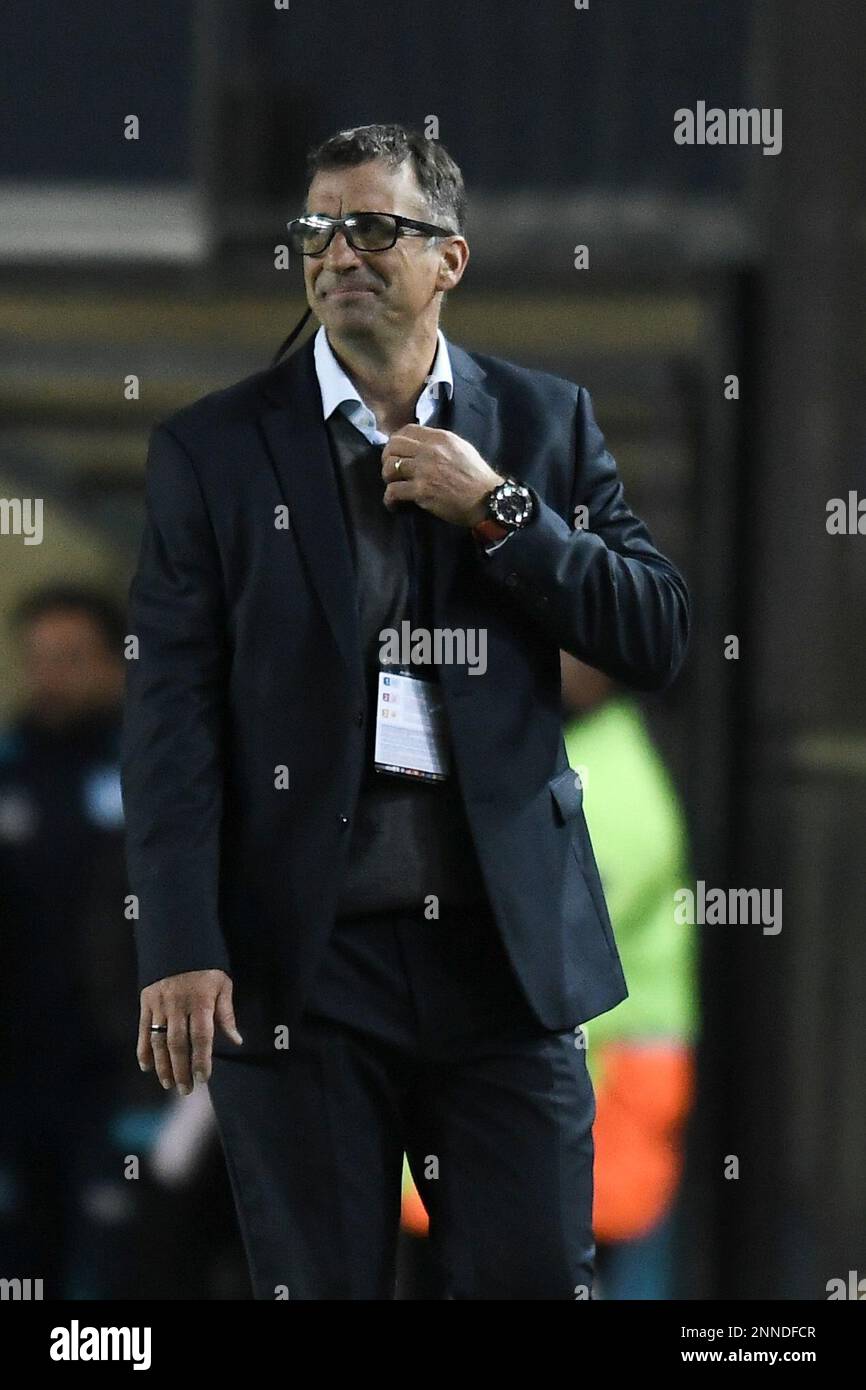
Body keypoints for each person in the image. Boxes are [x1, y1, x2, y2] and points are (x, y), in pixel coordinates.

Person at [121, 122, 690, 1300]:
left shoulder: (541, 423)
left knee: (533, 1280)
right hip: (300, 958)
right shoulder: (213, 451)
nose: (339, 253)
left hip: (503, 956)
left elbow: (655, 632)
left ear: (449, 259)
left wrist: (500, 513)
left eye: (373, 227)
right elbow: (169, 710)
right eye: (317, 230)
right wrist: (178, 942)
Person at [560, 654, 699, 1299]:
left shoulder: (608, 774)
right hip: (605, 1078)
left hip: (612, 1080)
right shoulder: (598, 752)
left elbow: (567, 933)